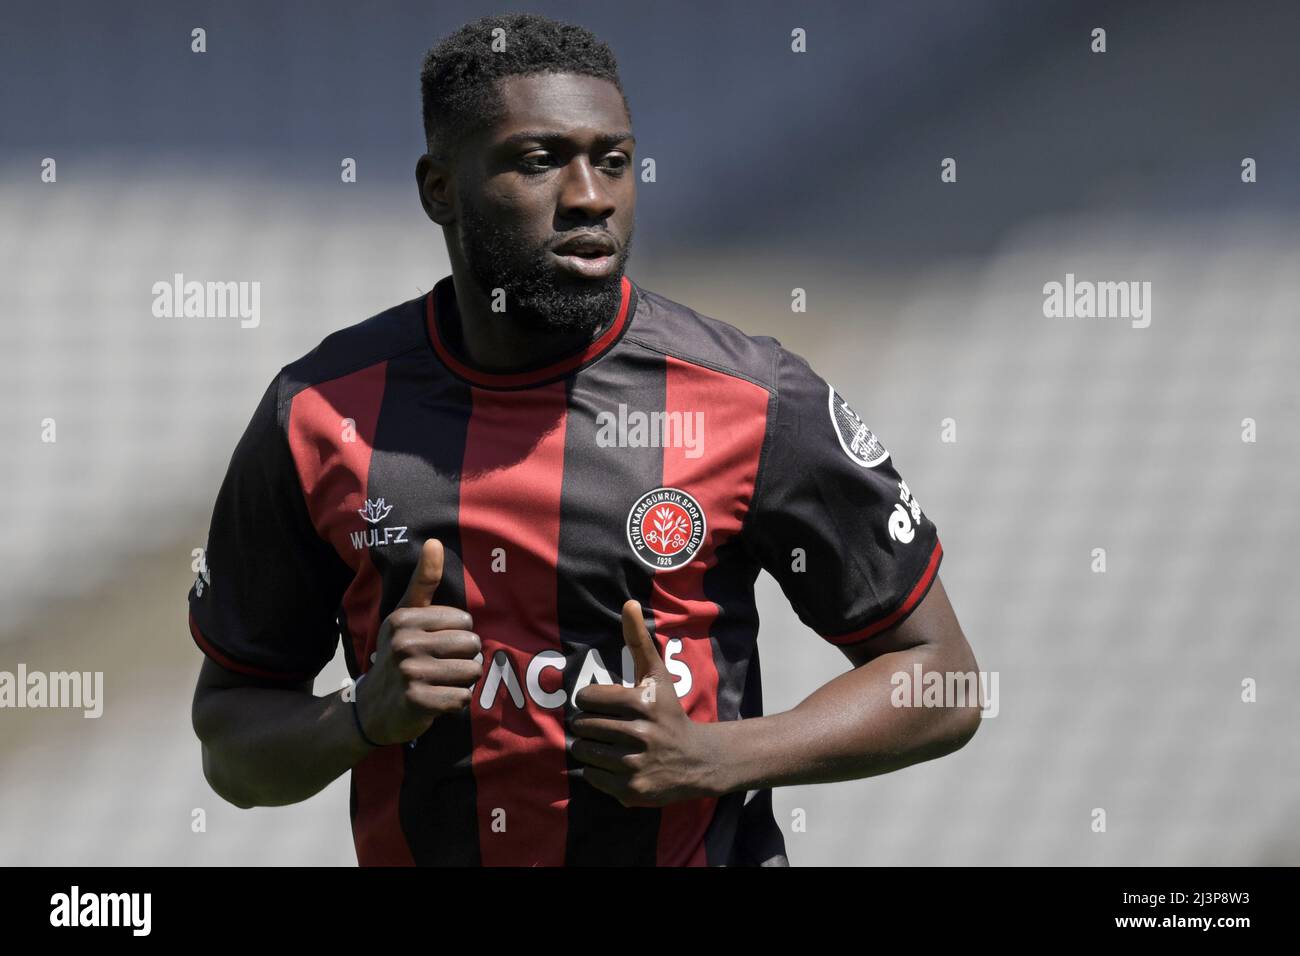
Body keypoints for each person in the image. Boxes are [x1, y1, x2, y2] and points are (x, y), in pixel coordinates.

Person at [189, 12, 981, 866]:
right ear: (438, 189)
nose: (590, 197)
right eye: (539, 161)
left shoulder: (753, 398)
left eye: (613, 161)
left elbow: (942, 680)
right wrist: (360, 716)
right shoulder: (319, 413)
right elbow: (233, 747)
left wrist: (717, 757)